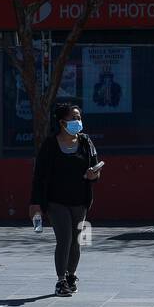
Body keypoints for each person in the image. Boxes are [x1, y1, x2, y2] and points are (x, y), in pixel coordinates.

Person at [29, 103, 102, 297]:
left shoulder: (86, 142)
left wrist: (94, 174)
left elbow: (95, 168)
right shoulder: (50, 144)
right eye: (73, 118)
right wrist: (35, 203)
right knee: (64, 239)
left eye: (79, 117)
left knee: (77, 241)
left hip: (80, 200)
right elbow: (39, 176)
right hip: (55, 201)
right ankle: (60, 281)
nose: (78, 121)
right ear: (62, 122)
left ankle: (71, 275)